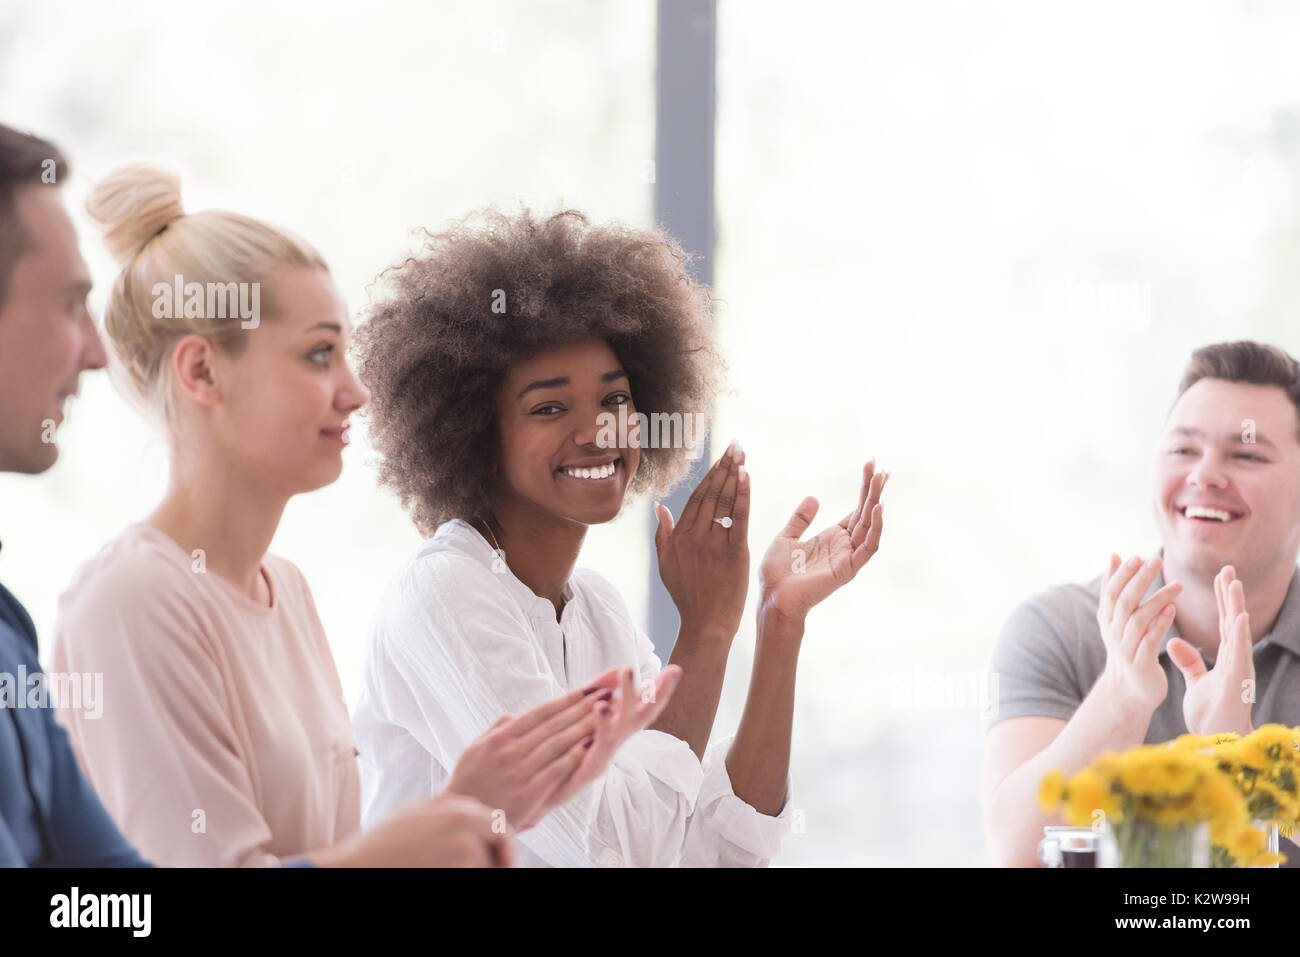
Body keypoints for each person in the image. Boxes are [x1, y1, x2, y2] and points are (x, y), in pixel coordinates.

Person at [49, 164, 675, 867]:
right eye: (319, 354)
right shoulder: (135, 599)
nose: (355, 392)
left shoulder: (285, 592)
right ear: (201, 373)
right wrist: (437, 824)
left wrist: (466, 813)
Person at [351, 207, 888, 866]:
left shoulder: (597, 611)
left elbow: (707, 852)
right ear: (479, 438)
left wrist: (778, 622)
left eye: (615, 401)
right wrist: (705, 634)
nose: (598, 430)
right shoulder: (446, 592)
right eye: (550, 407)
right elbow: (608, 849)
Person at [982, 340, 1300, 867]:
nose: (1204, 475)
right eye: (1182, 449)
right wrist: (1123, 698)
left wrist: (1237, 750)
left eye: (1245, 454)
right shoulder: (1056, 630)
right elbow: (1016, 854)